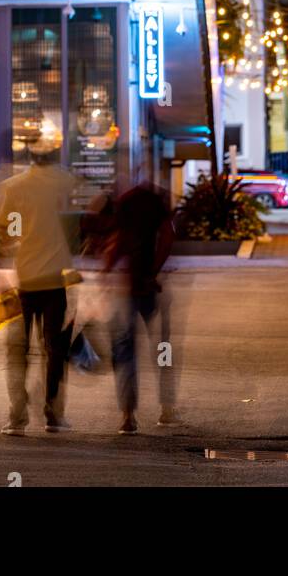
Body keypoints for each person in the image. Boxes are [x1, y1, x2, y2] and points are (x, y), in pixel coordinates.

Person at [0, 125, 76, 436]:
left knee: (18, 350)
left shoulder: (14, 187)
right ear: (53, 154)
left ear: (29, 155)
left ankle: (17, 416)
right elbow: (81, 221)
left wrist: (17, 244)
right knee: (55, 348)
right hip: (55, 279)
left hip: (25, 279)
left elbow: (5, 232)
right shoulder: (65, 181)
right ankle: (53, 414)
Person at [105, 178, 176, 435]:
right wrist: (154, 271)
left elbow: (118, 241)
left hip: (129, 286)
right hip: (149, 287)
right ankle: (166, 409)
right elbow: (168, 235)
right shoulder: (156, 201)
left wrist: (107, 271)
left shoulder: (125, 202)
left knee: (125, 350)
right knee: (162, 348)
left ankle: (128, 416)